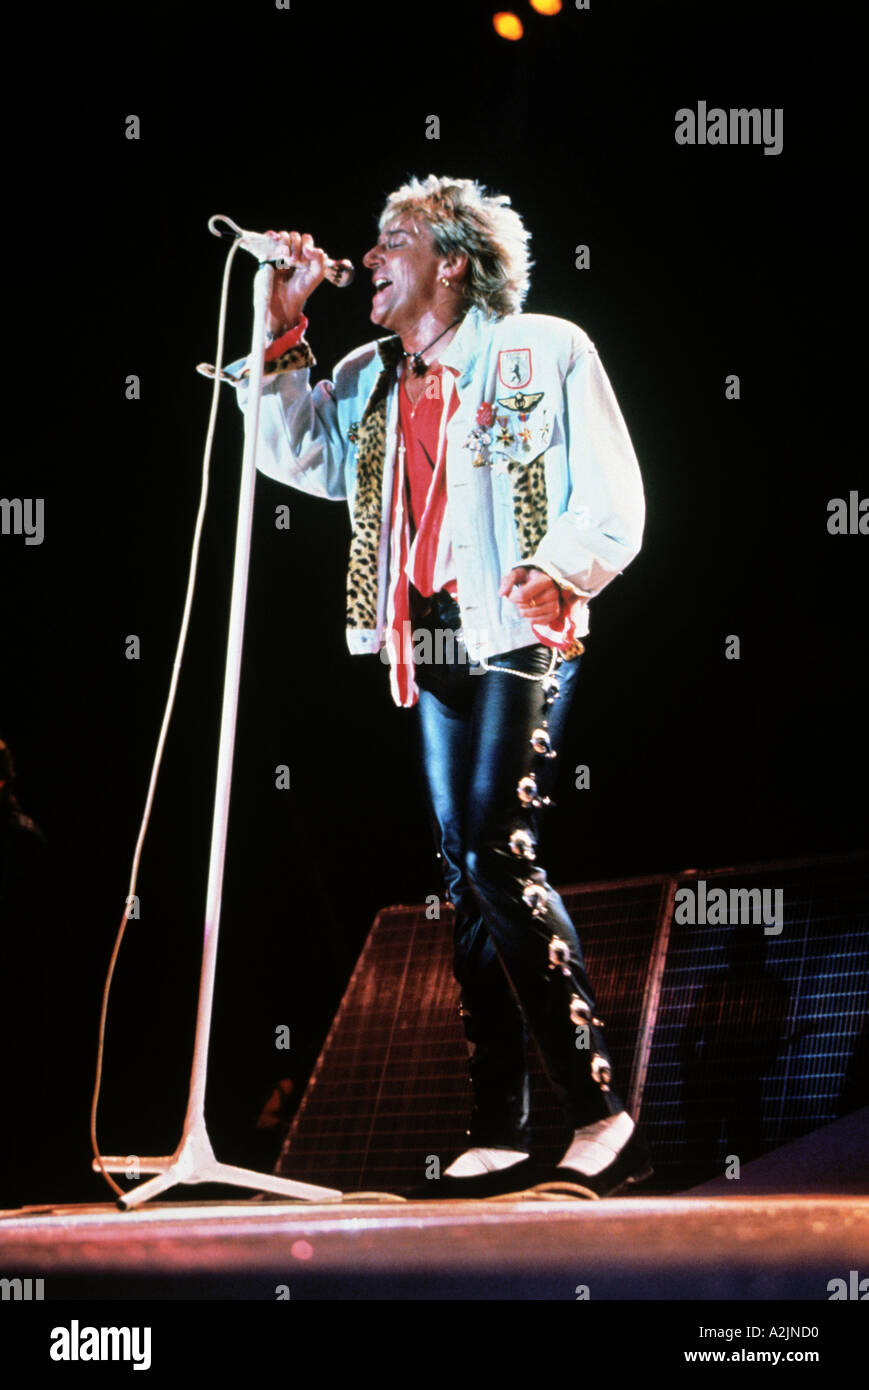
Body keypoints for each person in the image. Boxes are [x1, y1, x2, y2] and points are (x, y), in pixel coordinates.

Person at [217, 175, 648, 1198]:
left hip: (519, 622)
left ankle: (600, 1109)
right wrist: (280, 333)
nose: (367, 259)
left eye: (390, 240)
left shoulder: (543, 347)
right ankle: (497, 1122)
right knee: (460, 871)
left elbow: (614, 485)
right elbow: (298, 454)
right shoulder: (369, 373)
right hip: (431, 639)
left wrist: (565, 565)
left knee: (495, 846)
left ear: (451, 260)